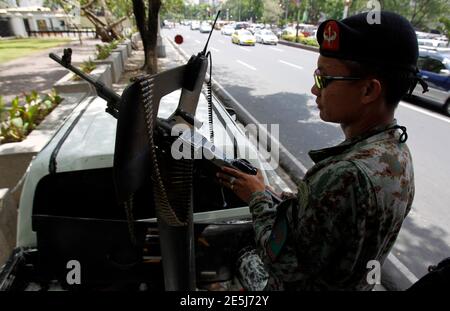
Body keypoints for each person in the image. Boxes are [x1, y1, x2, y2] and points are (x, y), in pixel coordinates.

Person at [216, 11, 428, 291]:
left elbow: (279, 261)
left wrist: (256, 197)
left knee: (239, 254)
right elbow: (335, 221)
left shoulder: (346, 174)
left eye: (324, 79)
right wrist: (277, 195)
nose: (314, 90)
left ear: (368, 90)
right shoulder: (395, 151)